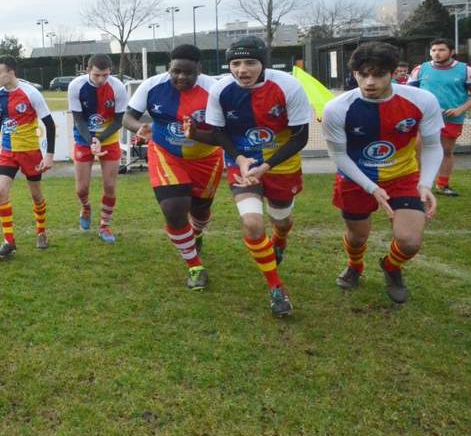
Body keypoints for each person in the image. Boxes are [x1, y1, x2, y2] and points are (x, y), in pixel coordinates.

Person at [197, 36, 310, 317]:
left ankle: (280, 240)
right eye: (235, 63)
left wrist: (268, 165)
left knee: (280, 221)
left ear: (263, 63)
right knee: (252, 224)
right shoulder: (221, 89)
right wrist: (239, 157)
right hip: (242, 163)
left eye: (250, 62)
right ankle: (276, 288)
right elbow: (219, 132)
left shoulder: (288, 86)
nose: (242, 69)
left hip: (280, 164)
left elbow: (301, 137)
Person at [324, 41, 443, 304]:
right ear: (354, 74)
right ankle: (355, 266)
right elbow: (338, 155)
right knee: (357, 238)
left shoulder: (422, 100)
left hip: (403, 177)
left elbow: (434, 146)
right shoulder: (337, 108)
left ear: (393, 73)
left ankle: (391, 267)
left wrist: (425, 184)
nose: (369, 82)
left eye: (378, 74)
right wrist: (371, 188)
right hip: (355, 179)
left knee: (410, 241)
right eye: (362, 75)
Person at [123, 45, 222, 291]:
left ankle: (196, 235)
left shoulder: (216, 89)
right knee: (174, 209)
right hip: (166, 153)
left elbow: (226, 130)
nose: (181, 77)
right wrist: (139, 128)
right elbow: (127, 116)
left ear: (199, 70)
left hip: (206, 157)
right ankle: (195, 267)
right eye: (175, 71)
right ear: (169, 68)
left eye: (188, 73)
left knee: (200, 211)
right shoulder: (152, 86)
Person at [0, 55, 55, 259]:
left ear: (11, 73)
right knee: (0, 191)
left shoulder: (31, 93)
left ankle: (41, 231)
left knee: (36, 195)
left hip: (30, 152)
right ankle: (9, 241)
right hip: (8, 152)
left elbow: (50, 124)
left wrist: (49, 155)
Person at [408, 38, 471, 197]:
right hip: (424, 119)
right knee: (418, 149)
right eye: (434, 50)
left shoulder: (466, 70)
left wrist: (460, 109)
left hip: (452, 118)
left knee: (446, 151)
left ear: (451, 52)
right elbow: (409, 93)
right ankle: (417, 184)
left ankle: (443, 185)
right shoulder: (420, 69)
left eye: (441, 50)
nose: (437, 53)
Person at [67, 54, 127, 243]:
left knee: (109, 186)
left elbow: (119, 121)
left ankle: (104, 226)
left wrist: (100, 139)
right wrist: (92, 140)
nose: (101, 80)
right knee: (81, 189)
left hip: (108, 139)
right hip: (84, 138)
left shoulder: (118, 87)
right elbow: (78, 119)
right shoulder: (76, 85)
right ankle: (85, 207)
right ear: (88, 71)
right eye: (96, 75)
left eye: (105, 75)